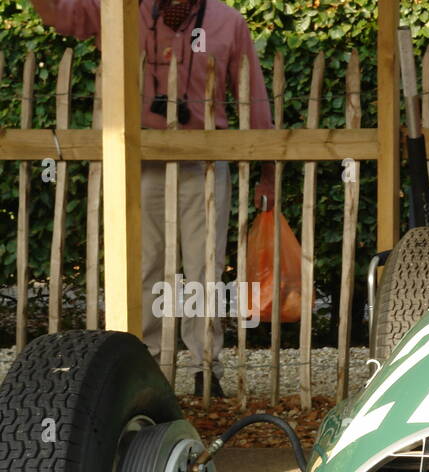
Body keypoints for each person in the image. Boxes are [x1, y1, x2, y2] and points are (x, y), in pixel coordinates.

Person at [30, 0, 276, 397]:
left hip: (205, 163)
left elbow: (255, 99)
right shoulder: (121, 10)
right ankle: (145, 364)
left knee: (206, 268)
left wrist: (268, 174)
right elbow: (64, 18)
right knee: (144, 266)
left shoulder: (228, 21)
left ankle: (205, 368)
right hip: (140, 161)